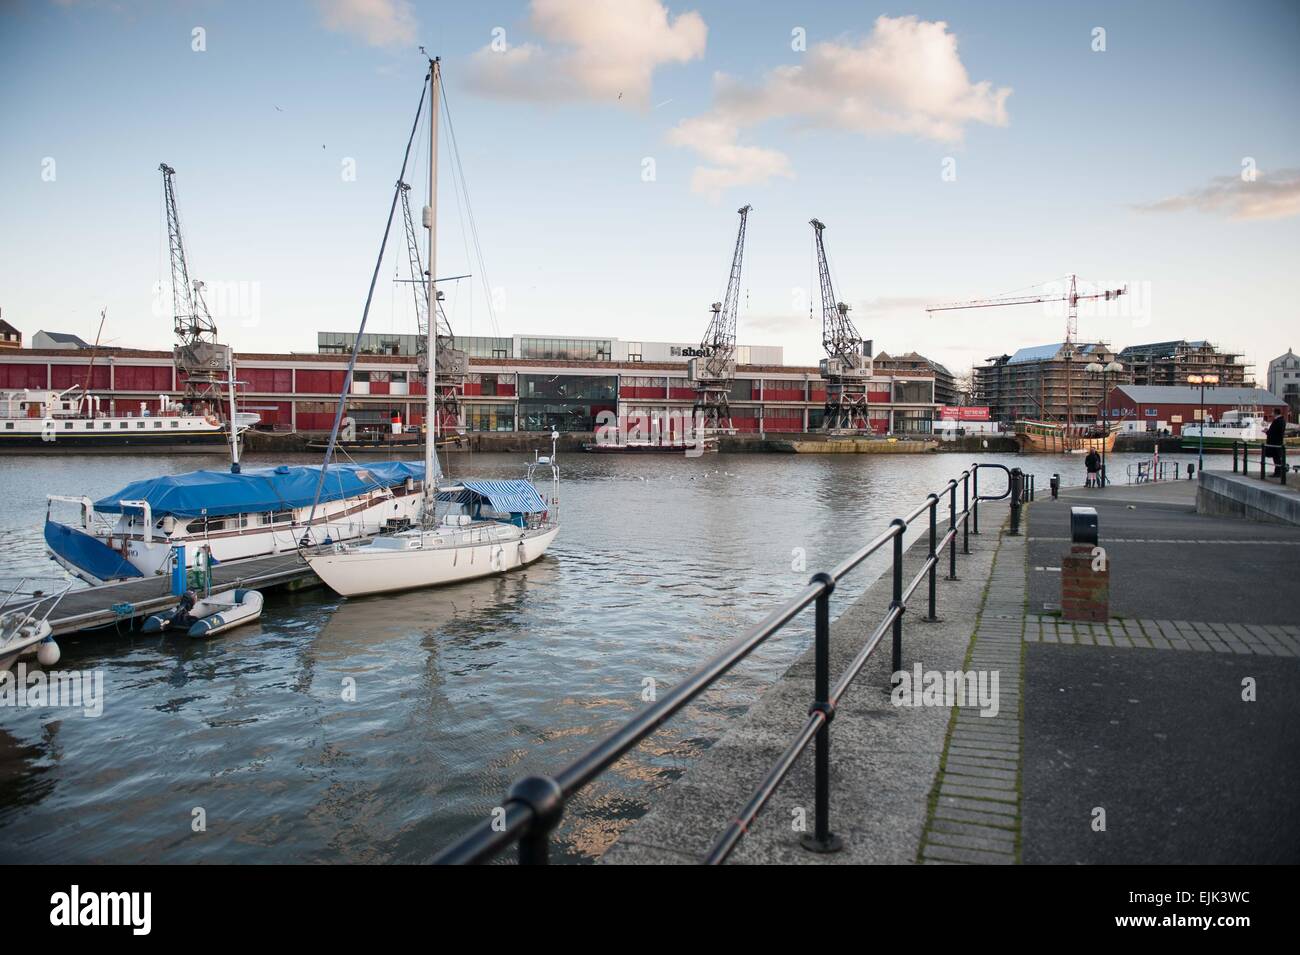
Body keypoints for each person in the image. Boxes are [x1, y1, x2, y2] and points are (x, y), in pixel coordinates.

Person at [1266, 411, 1287, 477]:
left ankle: (1278, 473)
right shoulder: (1281, 420)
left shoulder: (1278, 421)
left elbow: (1274, 432)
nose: (1271, 414)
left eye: (1272, 412)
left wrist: (1267, 432)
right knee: (1277, 458)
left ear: (1275, 413)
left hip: (1275, 442)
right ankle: (1279, 472)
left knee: (1276, 458)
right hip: (1278, 442)